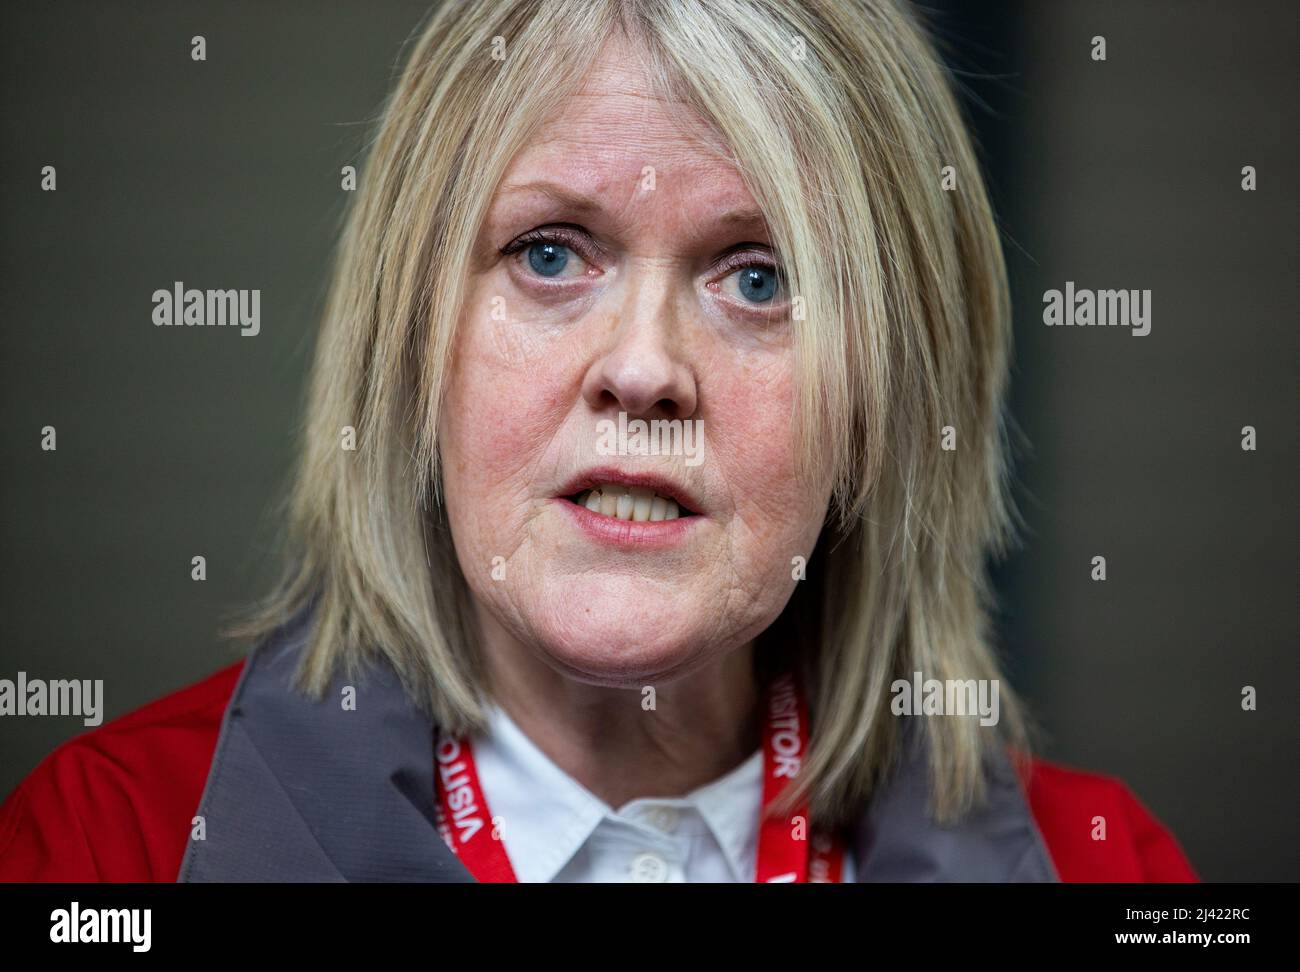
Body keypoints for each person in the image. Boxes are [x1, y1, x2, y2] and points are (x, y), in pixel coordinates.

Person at [0, 0, 1195, 883]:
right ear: (413, 343)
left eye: (761, 278)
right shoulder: (109, 851)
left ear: (884, 397)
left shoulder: (1111, 869)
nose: (642, 367)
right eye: (551, 254)